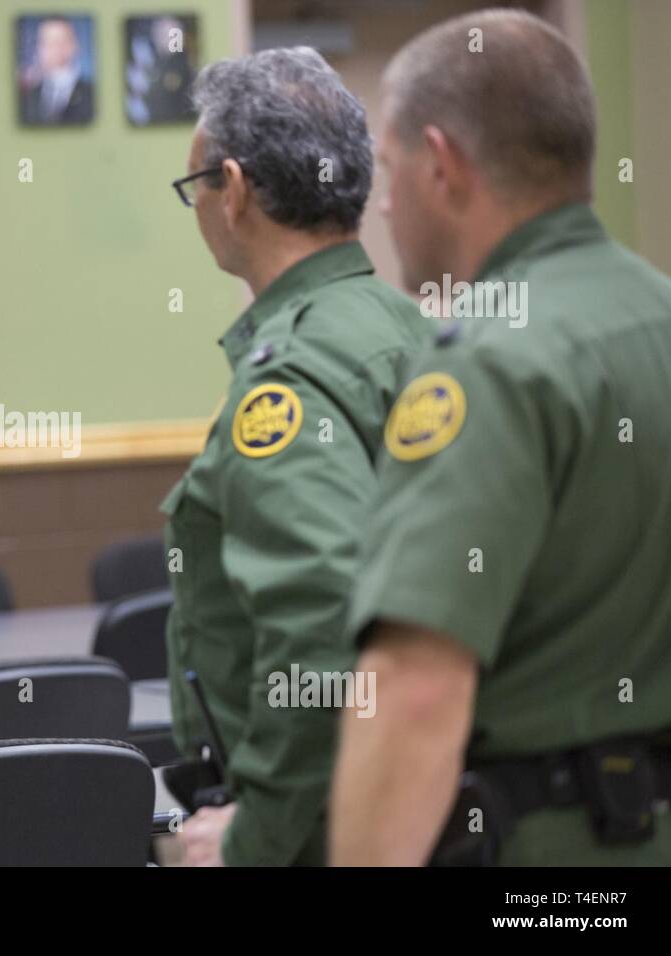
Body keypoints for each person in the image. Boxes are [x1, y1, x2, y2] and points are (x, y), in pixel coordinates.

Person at [330, 9, 671, 866]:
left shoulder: (485, 362)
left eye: (388, 167)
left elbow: (414, 695)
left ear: (442, 165)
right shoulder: (664, 320)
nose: (382, 199)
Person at [164, 48, 433, 866]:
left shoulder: (293, 379)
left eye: (195, 188)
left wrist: (256, 839)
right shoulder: (414, 331)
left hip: (324, 828)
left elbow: (319, 634)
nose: (199, 208)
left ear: (234, 189)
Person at [19, 17, 94, 125]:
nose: (54, 48)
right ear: (39, 47)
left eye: (60, 41)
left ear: (74, 45)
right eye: (47, 41)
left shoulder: (91, 92)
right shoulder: (28, 95)